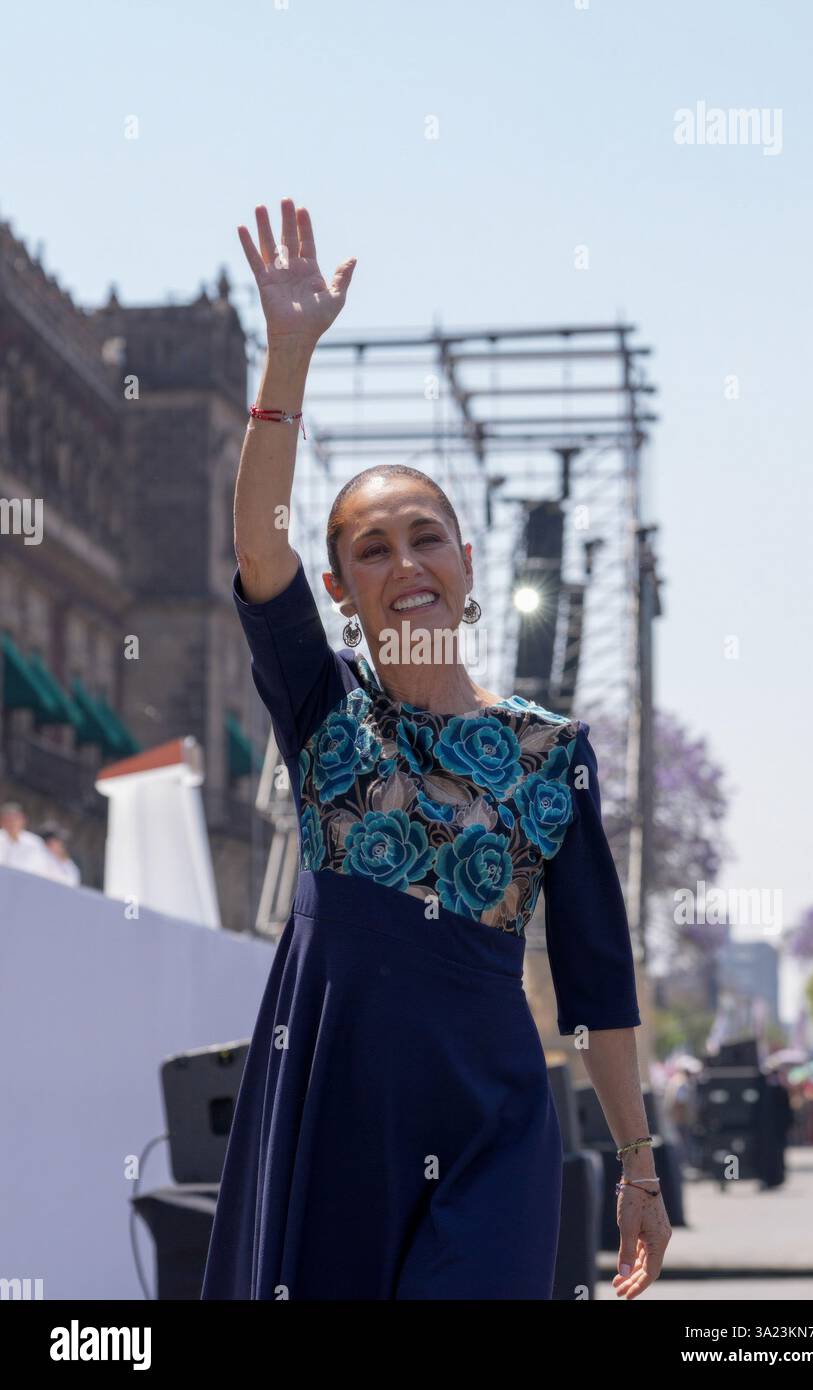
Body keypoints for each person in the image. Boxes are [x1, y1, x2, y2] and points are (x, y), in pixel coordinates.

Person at [200, 199, 671, 1301]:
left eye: (424, 536)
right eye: (370, 547)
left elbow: (597, 982)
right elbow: (255, 544)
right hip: (331, 1121)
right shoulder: (321, 715)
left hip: (493, 1135)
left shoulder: (550, 755)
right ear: (340, 590)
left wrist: (637, 1165)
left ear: (465, 559)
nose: (403, 560)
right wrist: (288, 353)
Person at [0, 802, 57, 876]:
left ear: (23, 820)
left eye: (15, 819)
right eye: (8, 819)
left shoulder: (35, 842)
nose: (12, 823)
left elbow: (42, 867)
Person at [36, 822, 82, 887]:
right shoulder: (38, 856)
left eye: (58, 840)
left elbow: (72, 882)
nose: (59, 844)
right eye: (51, 840)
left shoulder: (68, 864)